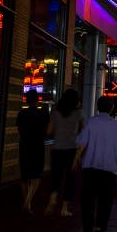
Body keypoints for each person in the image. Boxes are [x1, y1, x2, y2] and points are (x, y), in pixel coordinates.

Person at [73, 95, 117, 232]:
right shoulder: (116, 126)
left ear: (97, 107)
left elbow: (81, 142)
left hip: (90, 167)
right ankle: (100, 228)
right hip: (109, 169)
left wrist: (76, 159)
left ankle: (87, 228)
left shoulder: (91, 122)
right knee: (105, 201)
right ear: (111, 108)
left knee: (88, 200)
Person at [45, 88, 84, 217]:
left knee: (56, 176)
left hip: (57, 149)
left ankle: (53, 198)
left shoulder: (56, 111)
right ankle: (64, 208)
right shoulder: (78, 114)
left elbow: (49, 131)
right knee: (70, 180)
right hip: (71, 150)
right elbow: (82, 132)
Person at [16, 88, 50, 215]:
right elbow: (47, 131)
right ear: (38, 100)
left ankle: (28, 204)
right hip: (37, 146)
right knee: (36, 177)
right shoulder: (43, 114)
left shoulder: (21, 114)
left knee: (24, 176)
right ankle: (27, 203)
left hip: (24, 146)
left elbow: (19, 130)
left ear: (26, 99)